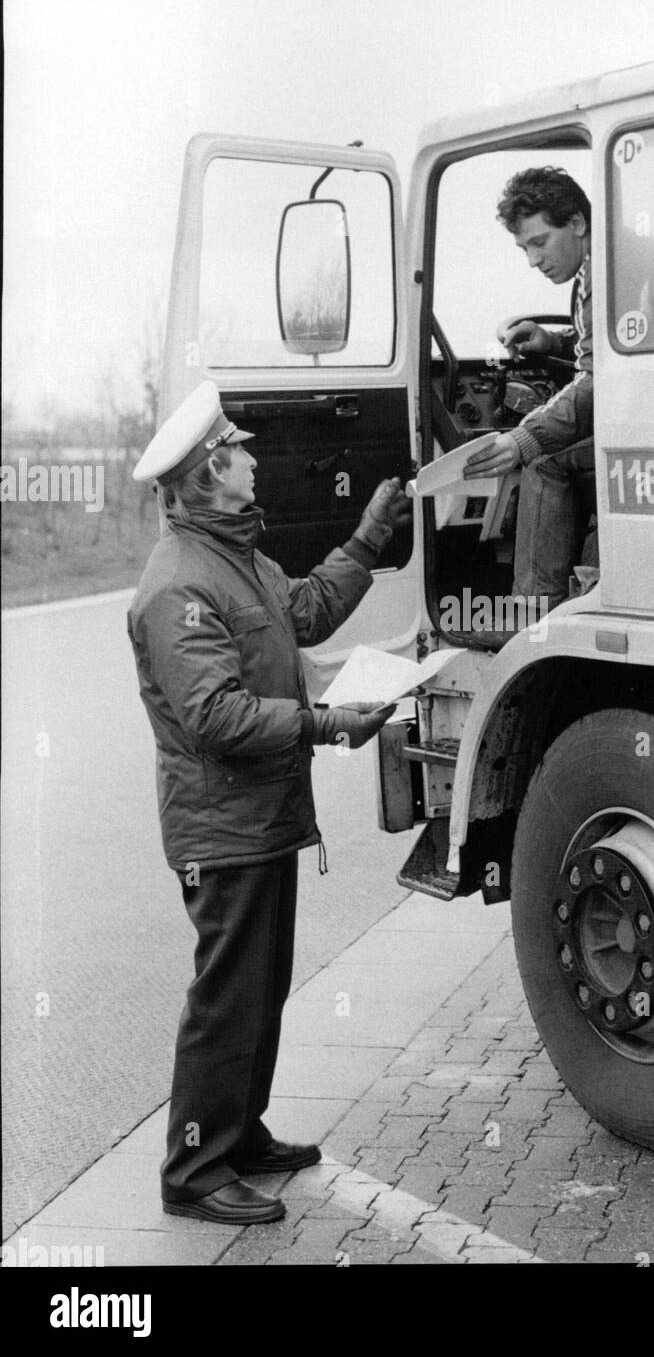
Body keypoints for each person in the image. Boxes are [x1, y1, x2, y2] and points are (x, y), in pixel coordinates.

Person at [127, 379, 409, 1225]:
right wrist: (326, 723)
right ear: (212, 473)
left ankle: (238, 1135)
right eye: (239, 449)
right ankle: (193, 1172)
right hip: (226, 826)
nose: (253, 457)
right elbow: (213, 716)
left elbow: (308, 613)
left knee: (259, 988)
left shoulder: (236, 556)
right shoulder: (178, 585)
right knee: (226, 998)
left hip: (259, 817)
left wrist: (368, 539)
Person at [463, 166, 593, 614]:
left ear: (576, 223)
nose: (534, 260)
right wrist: (553, 342)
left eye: (540, 242)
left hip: (644, 428)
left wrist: (523, 438)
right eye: (525, 248)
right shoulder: (601, 267)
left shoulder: (603, 273)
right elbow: (614, 347)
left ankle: (533, 614)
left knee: (544, 462)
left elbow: (600, 381)